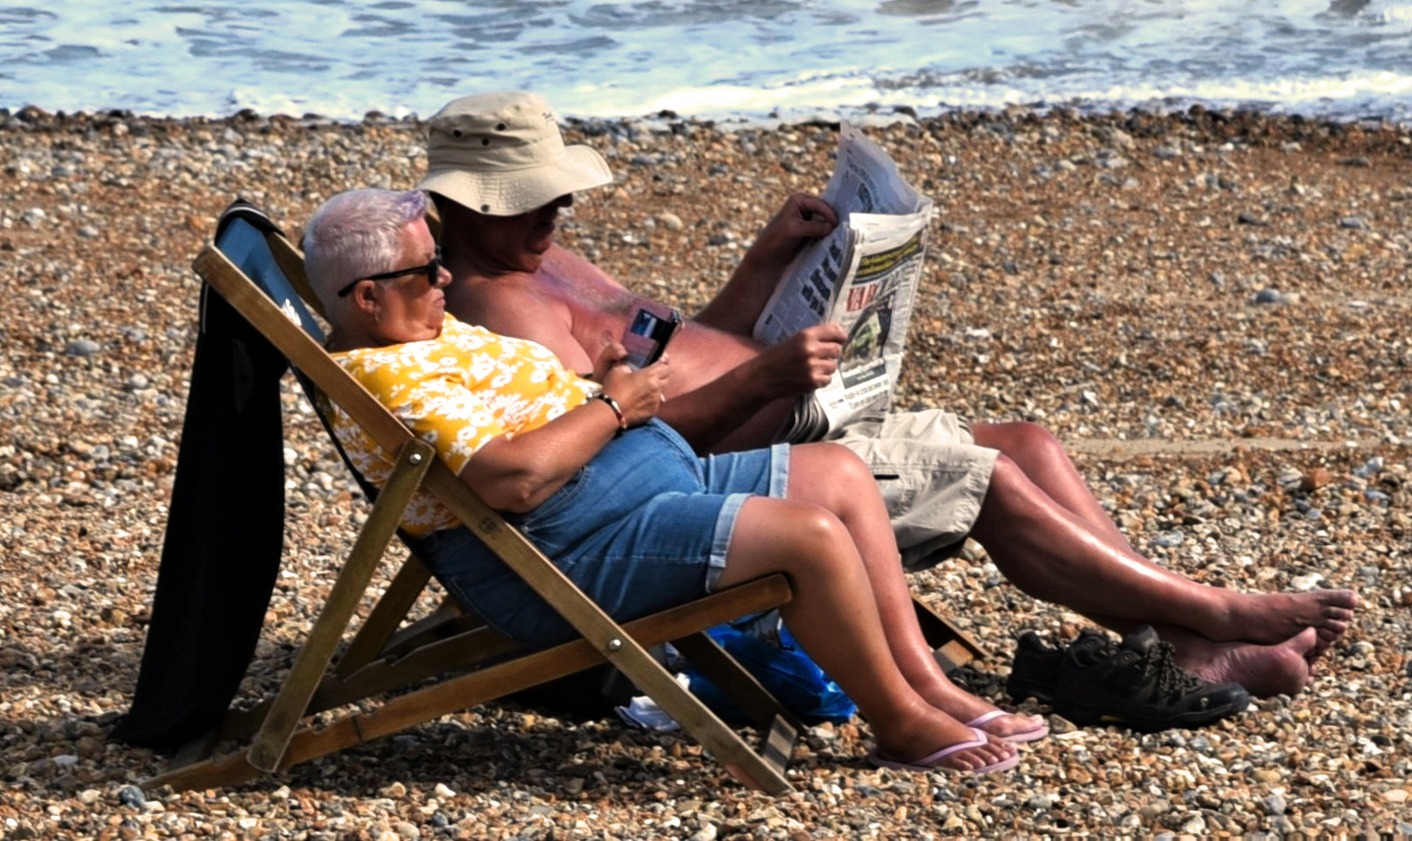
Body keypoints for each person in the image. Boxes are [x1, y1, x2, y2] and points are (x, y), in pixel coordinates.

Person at [420, 92, 1359, 697]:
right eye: (530, 200)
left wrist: (770, 261)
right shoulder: (492, 309)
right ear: (465, 205)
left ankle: (1177, 636)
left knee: (1023, 439)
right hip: (730, 480)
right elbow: (620, 452)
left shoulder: (542, 261)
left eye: (555, 196)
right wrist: (767, 378)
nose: (554, 213)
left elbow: (679, 347)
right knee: (980, 473)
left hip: (791, 411)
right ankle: (1211, 616)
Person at [302, 187, 1039, 775]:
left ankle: (928, 685)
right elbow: (515, 479)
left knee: (840, 474)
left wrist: (611, 388)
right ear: (365, 298)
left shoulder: (419, 330)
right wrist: (618, 407)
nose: (445, 279)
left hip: (620, 493)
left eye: (439, 262)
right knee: (808, 537)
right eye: (425, 271)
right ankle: (900, 725)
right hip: (556, 550)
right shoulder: (386, 374)